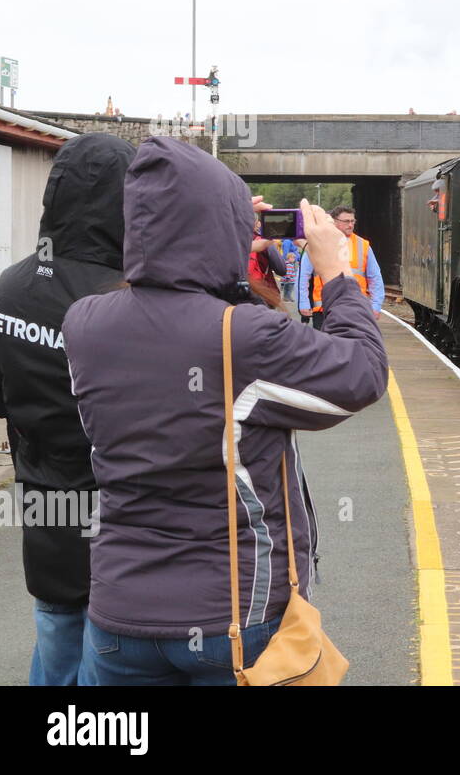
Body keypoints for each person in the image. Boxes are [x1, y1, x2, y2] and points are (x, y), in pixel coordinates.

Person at [62, 134, 387, 685]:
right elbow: (363, 373)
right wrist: (335, 273)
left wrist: (224, 244)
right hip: (233, 618)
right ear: (220, 228)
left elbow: (180, 317)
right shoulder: (244, 335)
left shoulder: (85, 322)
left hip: (117, 616)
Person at [0, 132, 135, 685]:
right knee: (113, 655)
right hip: (120, 509)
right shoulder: (127, 296)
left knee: (55, 634)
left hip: (43, 500)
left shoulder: (11, 286)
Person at [297, 205, 384, 328]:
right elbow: (303, 275)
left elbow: (375, 277)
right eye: (346, 221)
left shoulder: (363, 245)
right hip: (324, 310)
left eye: (352, 221)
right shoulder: (318, 243)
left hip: (356, 309)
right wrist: (303, 303)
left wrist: (376, 306)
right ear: (334, 222)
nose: (350, 225)